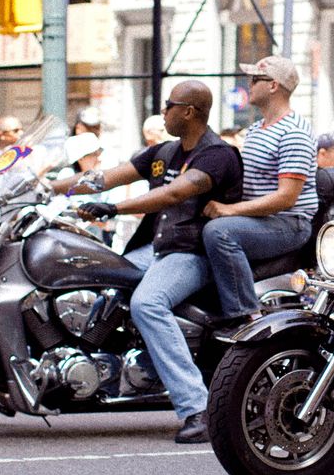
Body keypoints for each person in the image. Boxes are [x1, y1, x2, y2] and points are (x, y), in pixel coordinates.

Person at [52, 80, 243, 444]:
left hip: (193, 252)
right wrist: (48, 187)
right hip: (156, 248)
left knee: (148, 303)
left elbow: (174, 193)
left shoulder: (218, 154)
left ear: (188, 111)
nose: (163, 112)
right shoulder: (164, 152)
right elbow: (104, 178)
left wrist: (113, 207)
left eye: (168, 105)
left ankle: (196, 408)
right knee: (92, 275)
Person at [202, 56, 317, 324]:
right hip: (259, 219)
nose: (249, 83)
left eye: (255, 79)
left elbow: (286, 197)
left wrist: (230, 210)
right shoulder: (255, 129)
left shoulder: (294, 132)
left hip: (288, 223)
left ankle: (246, 317)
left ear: (273, 85)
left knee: (219, 232)